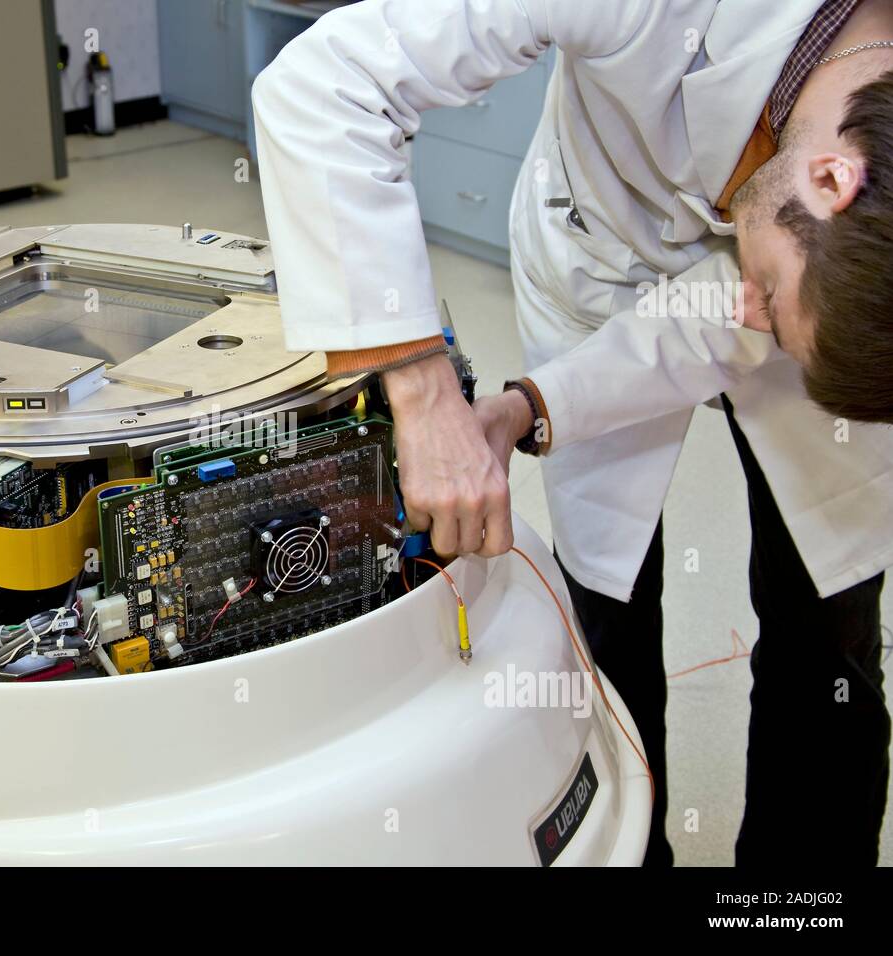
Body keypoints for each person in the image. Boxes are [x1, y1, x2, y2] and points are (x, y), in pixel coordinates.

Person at [252, 0, 893, 866]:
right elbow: (323, 85)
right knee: (606, 607)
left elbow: (723, 313)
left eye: (767, 307)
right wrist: (430, 391)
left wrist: (786, 307)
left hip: (829, 286)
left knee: (829, 631)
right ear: (829, 177)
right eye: (768, 299)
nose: (745, 319)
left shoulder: (820, 234)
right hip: (606, 257)